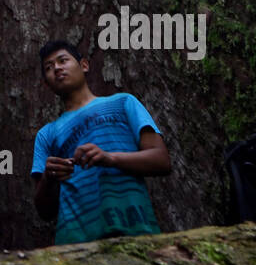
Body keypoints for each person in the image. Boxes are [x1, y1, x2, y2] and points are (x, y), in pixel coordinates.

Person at [32, 39, 170, 244]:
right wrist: (48, 178)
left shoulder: (123, 103)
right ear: (46, 83)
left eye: (63, 60)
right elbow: (44, 211)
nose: (57, 68)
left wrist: (110, 158)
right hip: (74, 243)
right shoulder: (47, 134)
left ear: (84, 65)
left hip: (136, 232)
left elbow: (162, 161)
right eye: (49, 68)